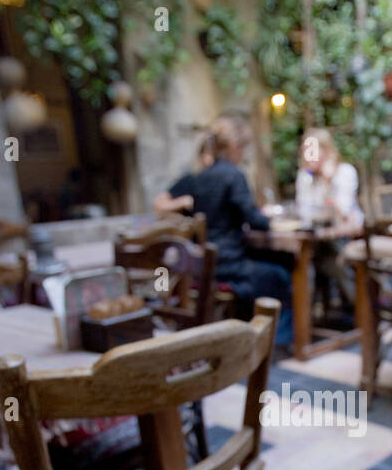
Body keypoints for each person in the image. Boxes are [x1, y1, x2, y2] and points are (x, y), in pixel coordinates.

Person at [175, 116, 293, 347]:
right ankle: (277, 341)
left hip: (206, 264)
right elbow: (254, 220)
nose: (244, 154)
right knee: (280, 274)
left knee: (268, 264)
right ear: (234, 147)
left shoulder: (199, 176)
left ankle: (248, 330)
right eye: (244, 148)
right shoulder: (233, 175)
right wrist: (269, 218)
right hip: (229, 265)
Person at [295, 128, 362, 311]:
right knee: (297, 261)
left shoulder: (344, 172)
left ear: (328, 151)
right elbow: (304, 212)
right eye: (305, 150)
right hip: (318, 240)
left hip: (344, 239)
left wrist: (328, 181)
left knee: (338, 261)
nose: (308, 157)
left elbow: (343, 215)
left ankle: (362, 312)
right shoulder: (305, 176)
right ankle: (305, 317)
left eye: (313, 150)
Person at [153, 135, 216, 216]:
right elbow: (158, 205)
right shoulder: (193, 180)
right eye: (209, 153)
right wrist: (182, 202)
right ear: (202, 155)